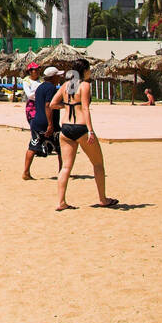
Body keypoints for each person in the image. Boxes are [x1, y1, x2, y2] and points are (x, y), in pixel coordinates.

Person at [49, 59, 119, 211]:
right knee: (98, 164)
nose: (90, 72)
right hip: (80, 128)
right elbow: (86, 109)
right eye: (89, 70)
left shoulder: (65, 85)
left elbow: (52, 104)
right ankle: (103, 199)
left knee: (66, 167)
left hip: (66, 128)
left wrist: (67, 106)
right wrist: (91, 130)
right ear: (84, 71)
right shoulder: (85, 85)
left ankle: (61, 202)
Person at [23, 66, 61, 180]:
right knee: (61, 148)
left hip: (37, 121)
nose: (59, 78)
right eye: (57, 76)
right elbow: (47, 106)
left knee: (33, 146)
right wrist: (50, 124)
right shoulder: (51, 88)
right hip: (47, 122)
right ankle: (62, 172)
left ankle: (26, 172)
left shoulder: (40, 87)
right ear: (53, 77)